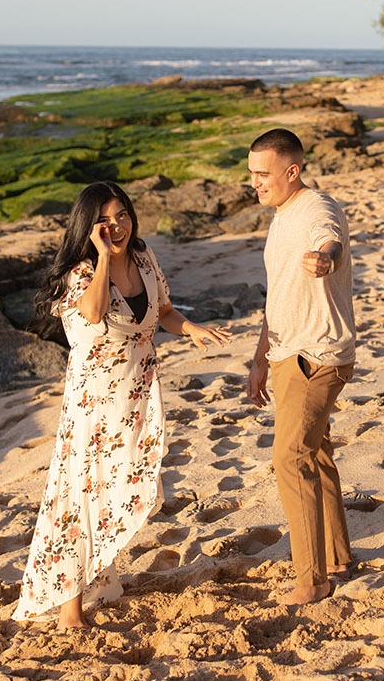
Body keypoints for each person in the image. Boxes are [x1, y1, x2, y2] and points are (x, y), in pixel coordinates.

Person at [15, 180, 230, 628]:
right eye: (104, 221)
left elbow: (164, 310)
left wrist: (192, 330)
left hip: (135, 390)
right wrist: (103, 257)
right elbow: (94, 312)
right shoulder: (79, 273)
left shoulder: (145, 257)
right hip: (93, 401)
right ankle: (69, 610)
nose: (116, 226)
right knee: (80, 494)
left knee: (110, 490)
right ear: (88, 228)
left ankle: (94, 579)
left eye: (122, 216)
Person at [245, 129, 357, 605]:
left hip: (317, 356)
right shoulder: (280, 215)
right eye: (250, 174)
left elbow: (328, 240)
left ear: (292, 171)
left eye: (262, 174)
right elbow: (277, 299)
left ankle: (311, 580)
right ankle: (337, 557)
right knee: (315, 454)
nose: (254, 183)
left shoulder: (317, 207)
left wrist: (326, 260)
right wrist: (259, 360)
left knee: (289, 459)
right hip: (287, 354)